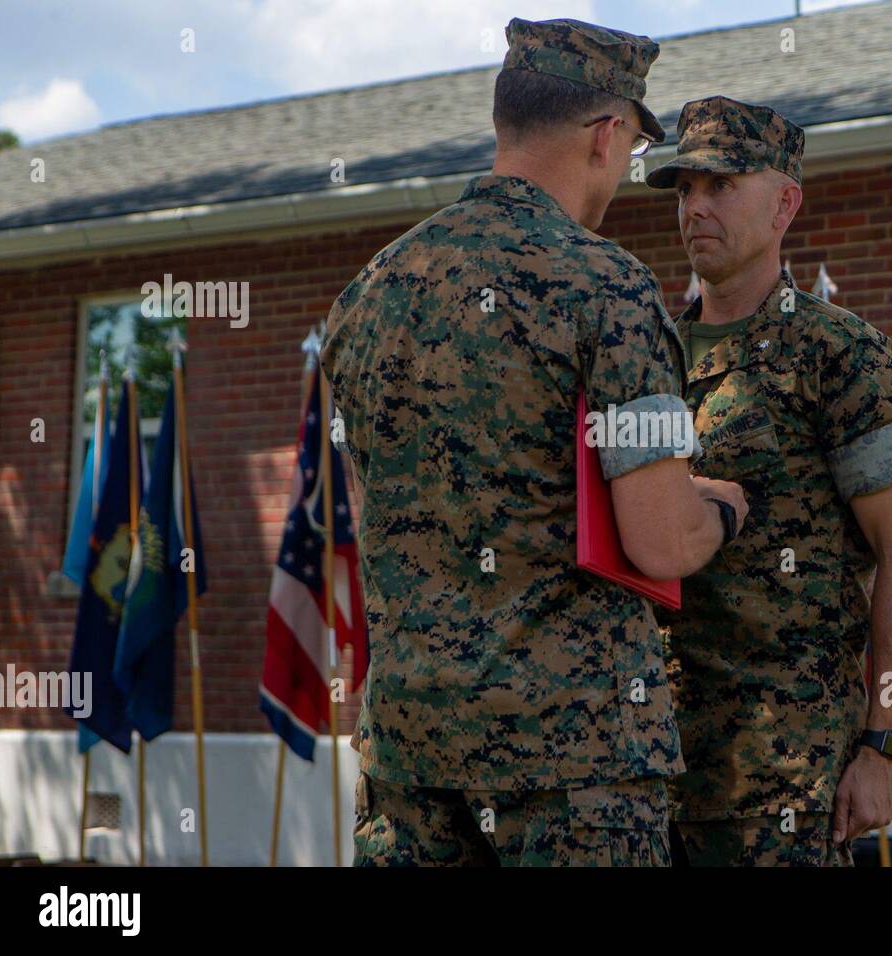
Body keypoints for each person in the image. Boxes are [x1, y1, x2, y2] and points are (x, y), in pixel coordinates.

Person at [320, 21, 747, 866]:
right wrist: (723, 511)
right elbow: (660, 535)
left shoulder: (367, 294)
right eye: (631, 148)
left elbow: (381, 517)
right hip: (573, 767)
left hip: (409, 758)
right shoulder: (609, 288)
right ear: (607, 135)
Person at [646, 96, 892, 866]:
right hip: (644, 770)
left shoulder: (842, 357)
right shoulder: (645, 360)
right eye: (684, 188)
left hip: (782, 783)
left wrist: (883, 745)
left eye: (721, 185)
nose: (695, 207)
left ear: (785, 204)